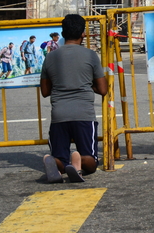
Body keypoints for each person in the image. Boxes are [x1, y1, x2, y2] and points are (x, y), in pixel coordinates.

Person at [40, 13, 107, 183]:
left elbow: (45, 91)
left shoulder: (50, 57)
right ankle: (78, 162)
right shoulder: (90, 55)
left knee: (59, 157)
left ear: (62, 34)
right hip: (83, 115)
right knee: (91, 162)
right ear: (83, 34)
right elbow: (103, 89)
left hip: (59, 115)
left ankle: (56, 162)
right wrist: (86, 83)